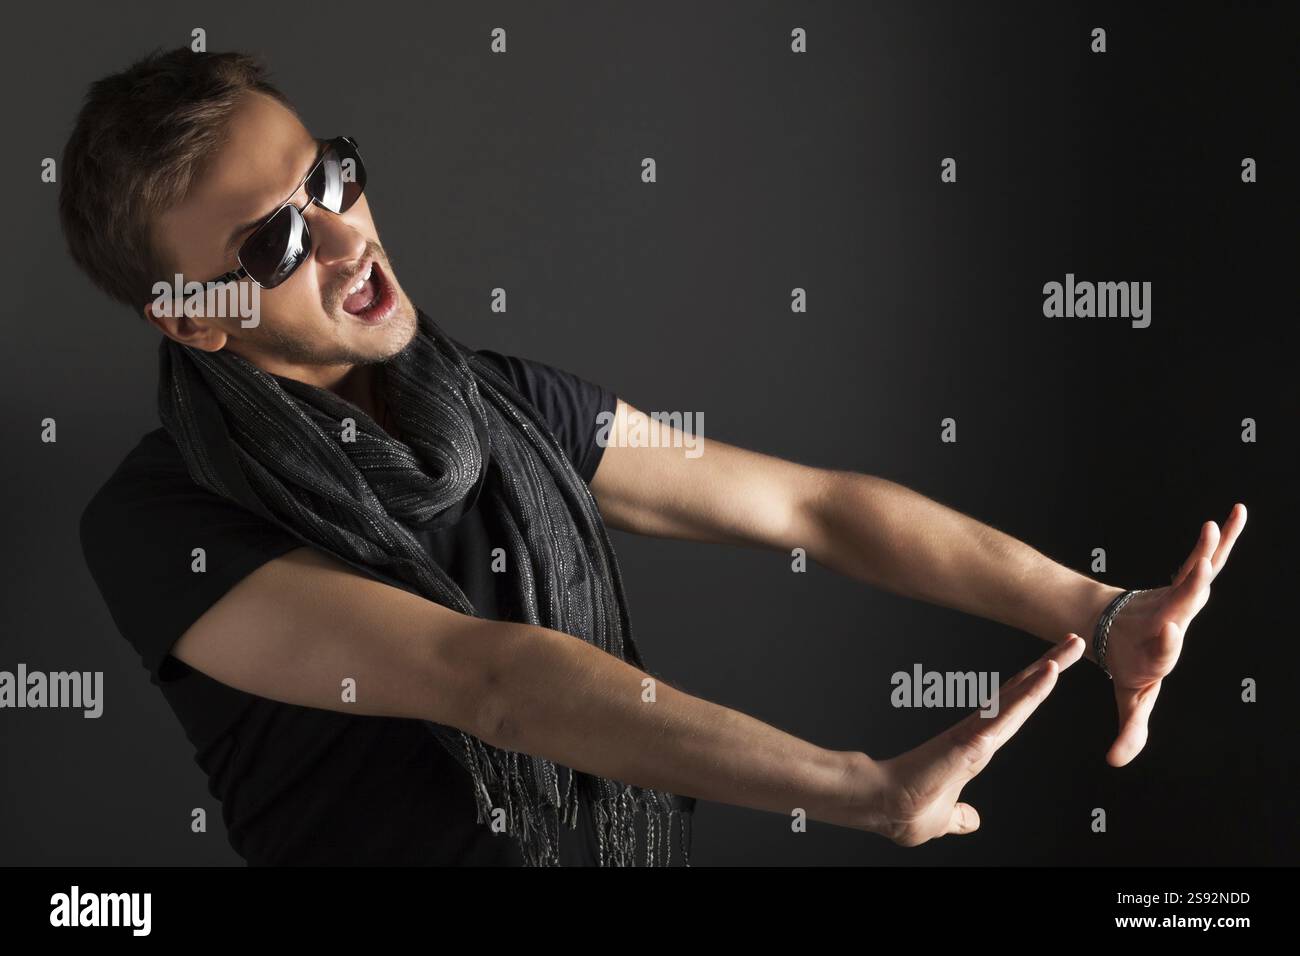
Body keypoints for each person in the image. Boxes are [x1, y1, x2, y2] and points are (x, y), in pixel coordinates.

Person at [62, 47, 1246, 866]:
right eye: (273, 239)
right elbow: (493, 682)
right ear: (191, 313)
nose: (341, 233)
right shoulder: (166, 520)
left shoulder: (511, 409)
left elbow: (811, 504)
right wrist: (863, 788)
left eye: (329, 176)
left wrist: (1099, 609)